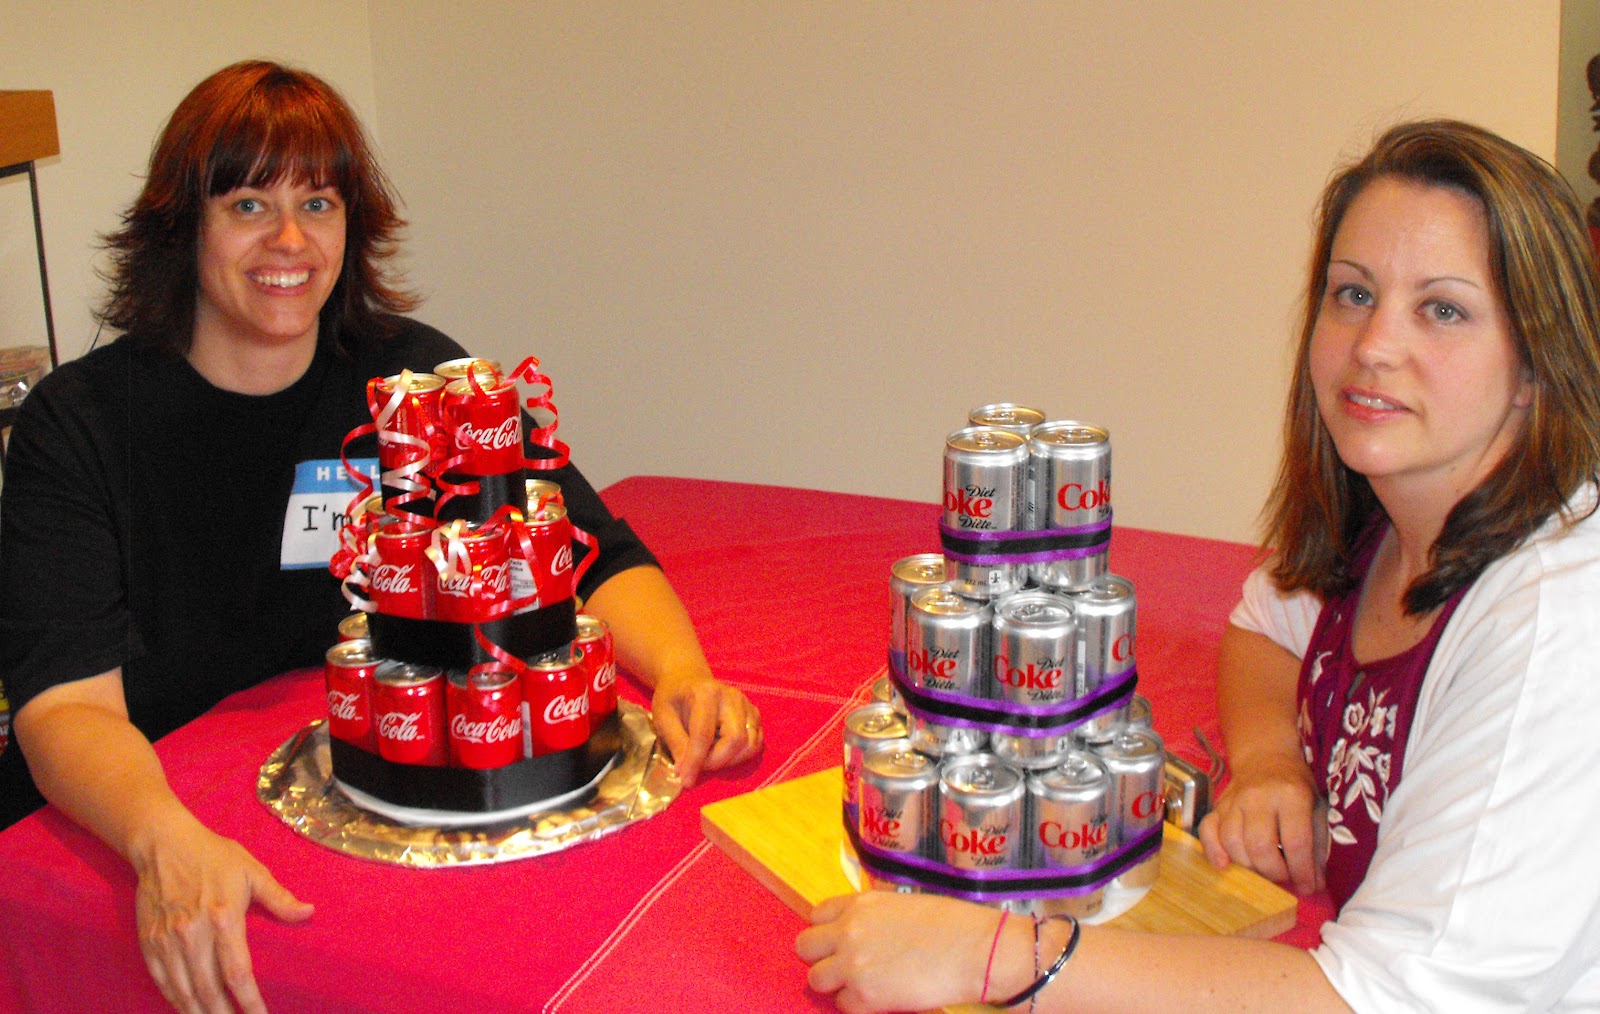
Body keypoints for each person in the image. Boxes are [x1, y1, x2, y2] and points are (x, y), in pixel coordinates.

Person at [0, 60, 762, 1014]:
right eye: (246, 204)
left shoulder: (414, 382)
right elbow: (62, 710)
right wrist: (164, 837)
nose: (290, 240)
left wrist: (684, 673)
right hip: (141, 816)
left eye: (317, 202)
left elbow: (589, 550)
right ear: (181, 227)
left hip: (368, 816)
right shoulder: (80, 425)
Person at [797, 119, 1600, 1011]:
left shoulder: (1555, 626)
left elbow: (1382, 999)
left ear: (1536, 362)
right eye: (1352, 293)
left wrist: (996, 955)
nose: (1374, 346)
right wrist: (1268, 762)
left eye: (1442, 309)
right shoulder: (1386, 513)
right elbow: (1265, 625)